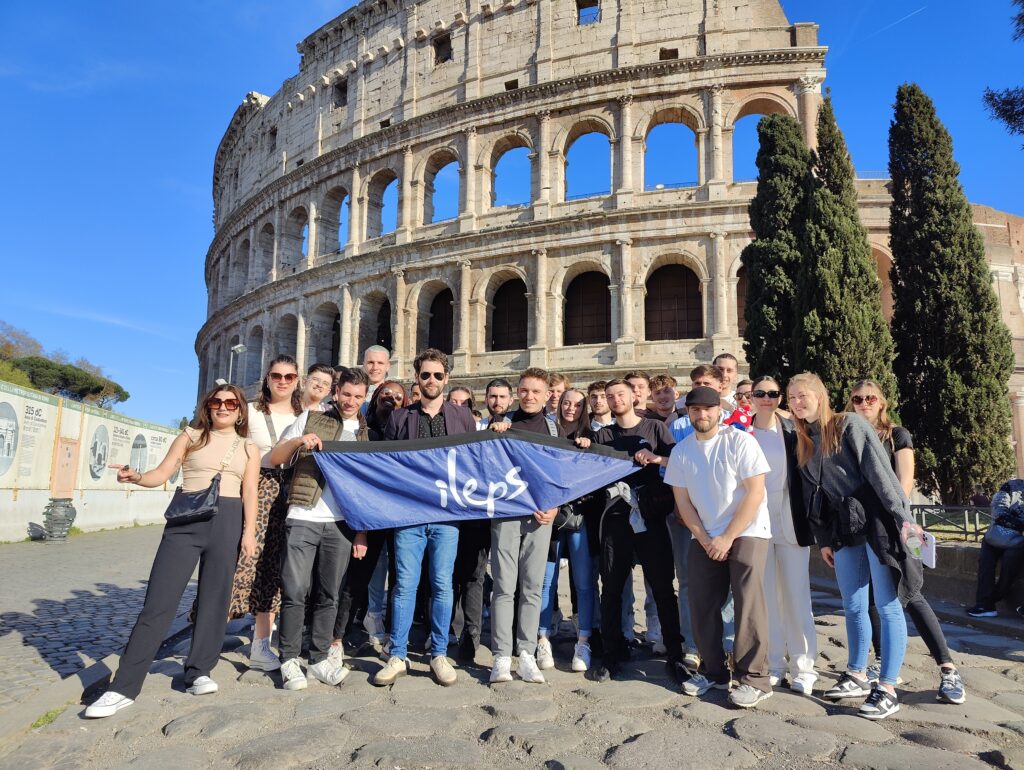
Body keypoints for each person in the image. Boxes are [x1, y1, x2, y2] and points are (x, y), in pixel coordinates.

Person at [85, 385, 259, 718]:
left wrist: (249, 533)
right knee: (158, 603)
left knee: (215, 601)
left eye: (231, 403)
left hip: (228, 521)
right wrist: (137, 477)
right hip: (186, 520)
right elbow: (162, 474)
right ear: (207, 407)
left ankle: (199, 671)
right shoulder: (190, 436)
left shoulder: (249, 447)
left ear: (240, 410)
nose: (223, 407)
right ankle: (123, 687)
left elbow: (250, 490)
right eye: (216, 401)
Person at [788, 373, 918, 720]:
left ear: (820, 395)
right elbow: (813, 494)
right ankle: (857, 673)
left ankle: (887, 687)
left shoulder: (849, 425)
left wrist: (903, 519)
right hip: (843, 527)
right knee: (853, 604)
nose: (797, 403)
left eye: (802, 395)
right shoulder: (804, 440)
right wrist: (823, 539)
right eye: (792, 398)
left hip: (877, 520)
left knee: (887, 605)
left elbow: (881, 474)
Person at [846, 379, 965, 704]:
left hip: (896, 524)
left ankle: (948, 668)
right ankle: (884, 662)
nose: (864, 404)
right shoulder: (850, 437)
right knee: (872, 597)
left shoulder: (897, 435)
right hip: (863, 525)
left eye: (870, 398)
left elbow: (904, 483)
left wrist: (900, 522)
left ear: (882, 402)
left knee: (910, 593)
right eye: (857, 399)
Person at [375, 348, 477, 687]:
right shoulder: (400, 418)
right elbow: (386, 464)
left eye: (437, 375)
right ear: (416, 378)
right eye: (425, 375)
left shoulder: (463, 417)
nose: (431, 380)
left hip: (447, 514)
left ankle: (439, 653)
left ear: (447, 379)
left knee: (442, 584)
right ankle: (397, 654)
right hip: (409, 514)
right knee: (404, 585)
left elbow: (474, 460)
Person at [667, 385, 773, 708]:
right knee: (701, 602)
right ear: (688, 413)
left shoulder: (740, 441)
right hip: (706, 535)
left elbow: (755, 492)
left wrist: (727, 537)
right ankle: (713, 671)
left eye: (708, 409)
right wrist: (704, 538)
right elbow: (683, 503)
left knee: (747, 602)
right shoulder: (681, 451)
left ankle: (754, 678)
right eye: (695, 410)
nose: (702, 415)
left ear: (719, 411)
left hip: (748, 530)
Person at [270, 367, 371, 691]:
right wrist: (299, 441)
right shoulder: (311, 418)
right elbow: (275, 456)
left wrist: (361, 532)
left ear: (365, 397)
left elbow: (364, 488)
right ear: (336, 392)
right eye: (346, 394)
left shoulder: (365, 434)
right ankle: (289, 659)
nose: (351, 401)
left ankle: (317, 659)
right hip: (304, 515)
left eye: (358, 396)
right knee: (295, 590)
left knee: (330, 594)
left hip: (341, 523)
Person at [590, 379, 684, 683]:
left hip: (650, 517)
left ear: (634, 397)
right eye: (610, 396)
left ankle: (675, 654)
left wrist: (656, 459)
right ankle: (611, 654)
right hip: (615, 518)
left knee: (663, 588)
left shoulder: (654, 428)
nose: (615, 399)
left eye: (621, 394)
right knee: (611, 589)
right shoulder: (602, 435)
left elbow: (679, 461)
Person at [229, 355, 303, 672]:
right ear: (267, 378)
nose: (282, 381)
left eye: (289, 377)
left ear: (297, 381)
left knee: (278, 567)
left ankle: (265, 641)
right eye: (276, 376)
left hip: (294, 491)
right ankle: (236, 634)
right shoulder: (250, 412)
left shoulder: (304, 415)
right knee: (248, 562)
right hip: (258, 489)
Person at [488, 368, 561, 684]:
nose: (529, 396)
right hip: (506, 512)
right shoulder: (501, 424)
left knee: (532, 586)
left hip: (541, 514)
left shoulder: (553, 428)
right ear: (517, 393)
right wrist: (494, 432)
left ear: (547, 395)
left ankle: (527, 653)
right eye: (524, 391)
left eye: (536, 391)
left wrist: (556, 506)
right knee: (504, 586)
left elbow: (560, 473)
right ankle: (502, 656)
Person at [750, 376, 817, 695]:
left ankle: (804, 667)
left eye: (773, 393)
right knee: (766, 598)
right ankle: (774, 663)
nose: (766, 398)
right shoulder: (740, 431)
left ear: (780, 397)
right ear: (751, 396)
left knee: (797, 595)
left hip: (791, 518)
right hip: (755, 521)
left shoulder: (794, 430)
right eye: (760, 393)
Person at [334, 380, 408, 650]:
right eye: (386, 393)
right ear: (375, 397)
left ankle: (390, 631)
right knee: (362, 574)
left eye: (398, 396)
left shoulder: (406, 432)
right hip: (370, 511)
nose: (391, 398)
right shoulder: (364, 432)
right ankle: (340, 634)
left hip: (399, 511)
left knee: (399, 575)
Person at [536, 388, 600, 673]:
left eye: (577, 404)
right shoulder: (548, 432)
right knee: (545, 581)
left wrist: (588, 447)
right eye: (566, 403)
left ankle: (583, 640)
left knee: (584, 581)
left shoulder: (592, 435)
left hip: (578, 517)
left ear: (584, 408)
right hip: (550, 516)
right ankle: (542, 638)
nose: (570, 408)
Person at [452, 378, 514, 660]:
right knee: (473, 574)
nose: (497, 401)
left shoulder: (518, 429)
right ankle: (471, 634)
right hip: (477, 512)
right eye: (492, 396)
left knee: (508, 576)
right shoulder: (475, 429)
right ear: (485, 399)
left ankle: (509, 635)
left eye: (502, 397)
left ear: (510, 400)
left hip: (509, 511)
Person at [969, 478, 1024, 618]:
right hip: (998, 534)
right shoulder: (1010, 485)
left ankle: (993, 598)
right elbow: (998, 510)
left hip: (1019, 541)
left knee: (1010, 560)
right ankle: (984, 605)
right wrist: (1019, 526)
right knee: (986, 560)